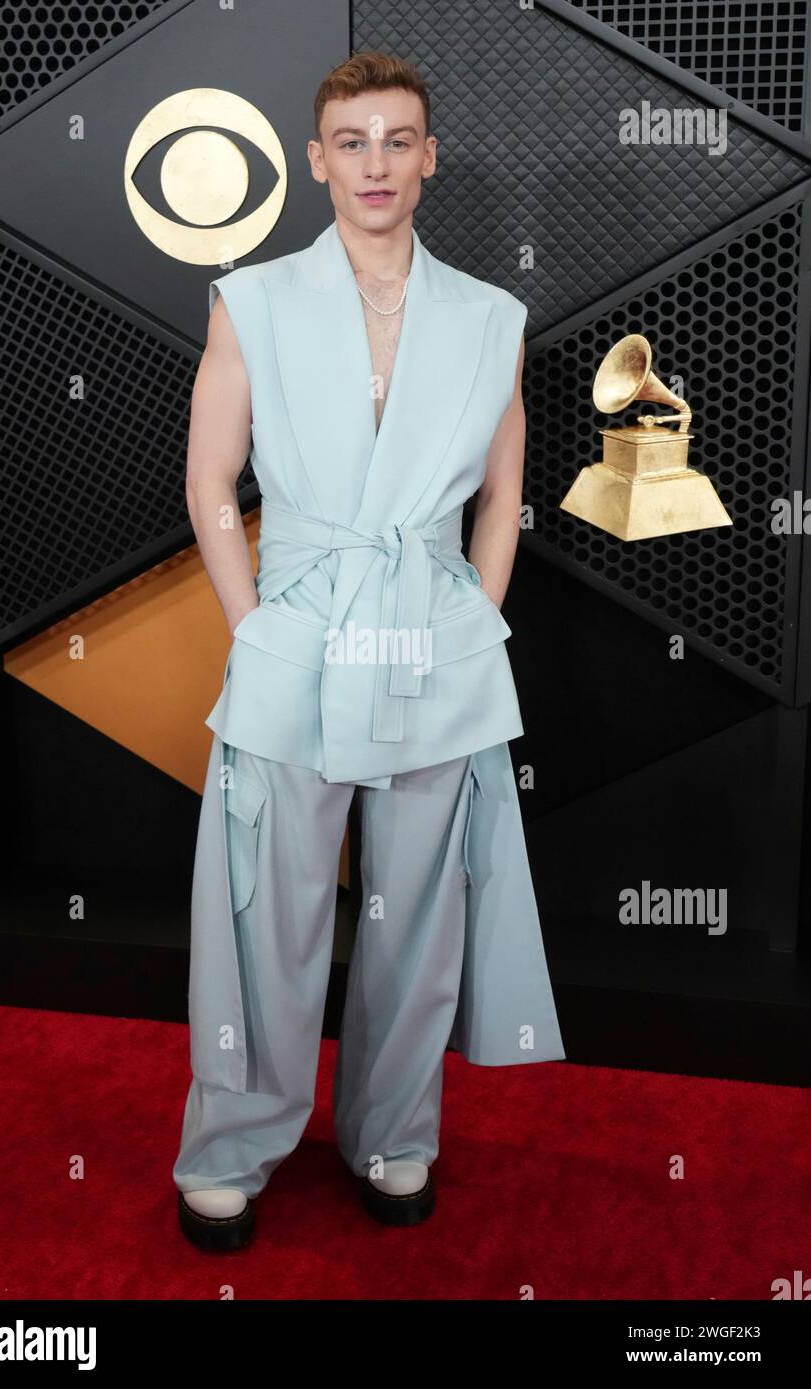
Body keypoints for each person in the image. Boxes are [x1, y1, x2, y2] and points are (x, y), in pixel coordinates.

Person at [172, 50, 565, 1253]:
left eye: (398, 140)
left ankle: (394, 1132)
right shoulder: (253, 298)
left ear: (428, 156)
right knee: (263, 914)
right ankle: (233, 1145)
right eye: (353, 141)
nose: (376, 163)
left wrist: (471, 616)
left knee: (419, 914)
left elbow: (501, 496)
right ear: (316, 158)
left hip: (431, 644)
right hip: (297, 634)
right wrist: (257, 629)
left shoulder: (490, 317)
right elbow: (207, 480)